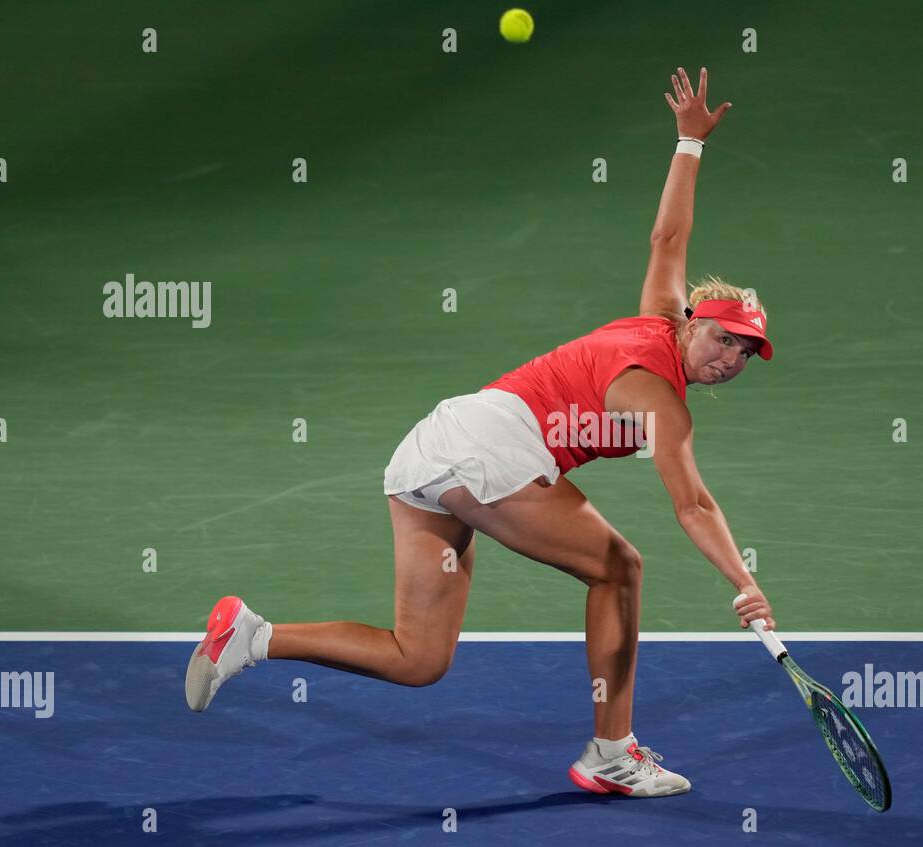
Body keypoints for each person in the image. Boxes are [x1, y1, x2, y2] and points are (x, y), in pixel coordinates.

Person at [185, 66, 776, 798]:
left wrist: (689, 143)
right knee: (619, 569)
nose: (728, 359)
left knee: (419, 658)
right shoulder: (662, 395)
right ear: (697, 319)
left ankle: (255, 636)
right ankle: (611, 752)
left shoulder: (661, 318)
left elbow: (668, 235)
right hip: (491, 449)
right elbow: (693, 505)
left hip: (439, 445)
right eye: (723, 339)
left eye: (744, 354)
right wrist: (744, 583)